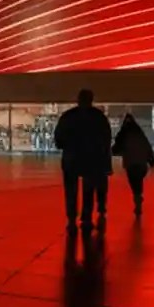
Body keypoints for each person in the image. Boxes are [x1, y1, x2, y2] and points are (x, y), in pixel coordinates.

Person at [53, 89, 112, 232]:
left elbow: (58, 140)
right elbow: (106, 140)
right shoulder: (99, 117)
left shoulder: (68, 117)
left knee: (71, 190)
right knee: (88, 190)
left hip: (71, 159)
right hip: (92, 159)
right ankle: (86, 218)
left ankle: (72, 219)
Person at [112, 113, 154, 216]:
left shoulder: (123, 135)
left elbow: (116, 148)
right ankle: (138, 198)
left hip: (131, 163)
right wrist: (151, 161)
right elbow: (147, 147)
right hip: (141, 163)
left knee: (134, 183)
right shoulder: (140, 134)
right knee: (138, 181)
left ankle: (138, 199)